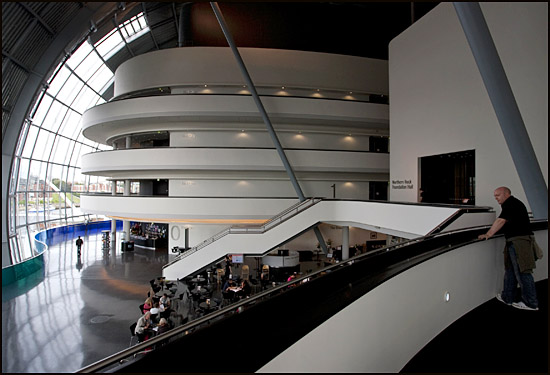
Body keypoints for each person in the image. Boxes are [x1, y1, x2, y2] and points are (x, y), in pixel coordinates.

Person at [478, 186, 542, 311]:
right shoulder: (513, 204)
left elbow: (501, 221)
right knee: (511, 271)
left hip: (519, 243)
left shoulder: (511, 204)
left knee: (523, 272)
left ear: (506, 194)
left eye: (498, 195)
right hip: (514, 242)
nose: (496, 198)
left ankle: (531, 303)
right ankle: (508, 297)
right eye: (495, 195)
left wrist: (488, 234)